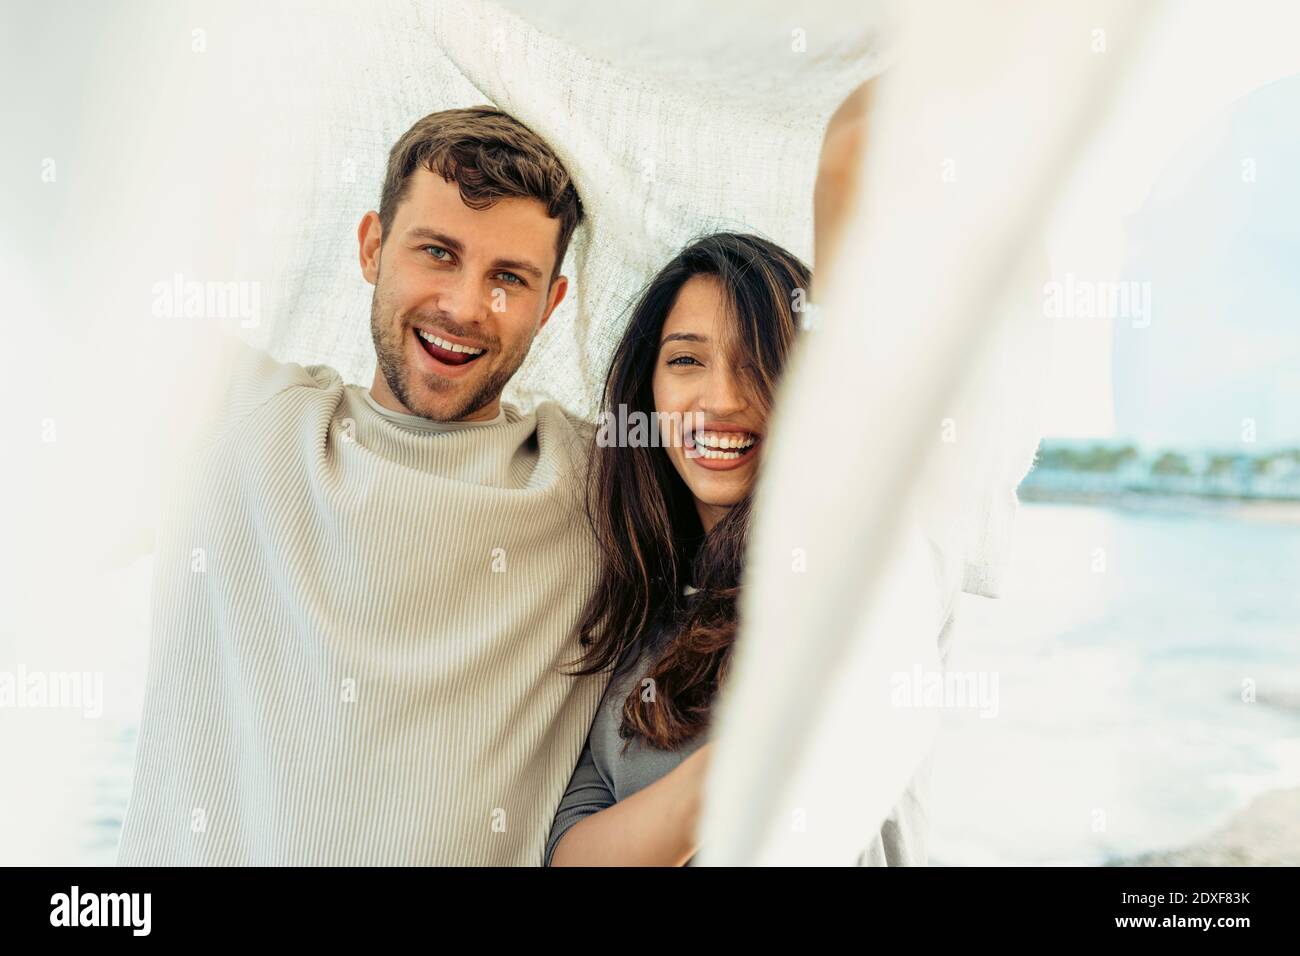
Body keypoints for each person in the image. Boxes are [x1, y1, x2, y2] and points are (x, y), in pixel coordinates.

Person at [117, 106, 609, 865]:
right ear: (372, 246)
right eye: (437, 252)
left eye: (508, 278)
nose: (464, 306)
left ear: (550, 306)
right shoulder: (233, 417)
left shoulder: (595, 488)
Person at [546, 233, 809, 866]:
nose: (721, 400)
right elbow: (571, 854)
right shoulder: (640, 619)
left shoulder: (848, 570)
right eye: (686, 361)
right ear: (648, 391)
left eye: (761, 362)